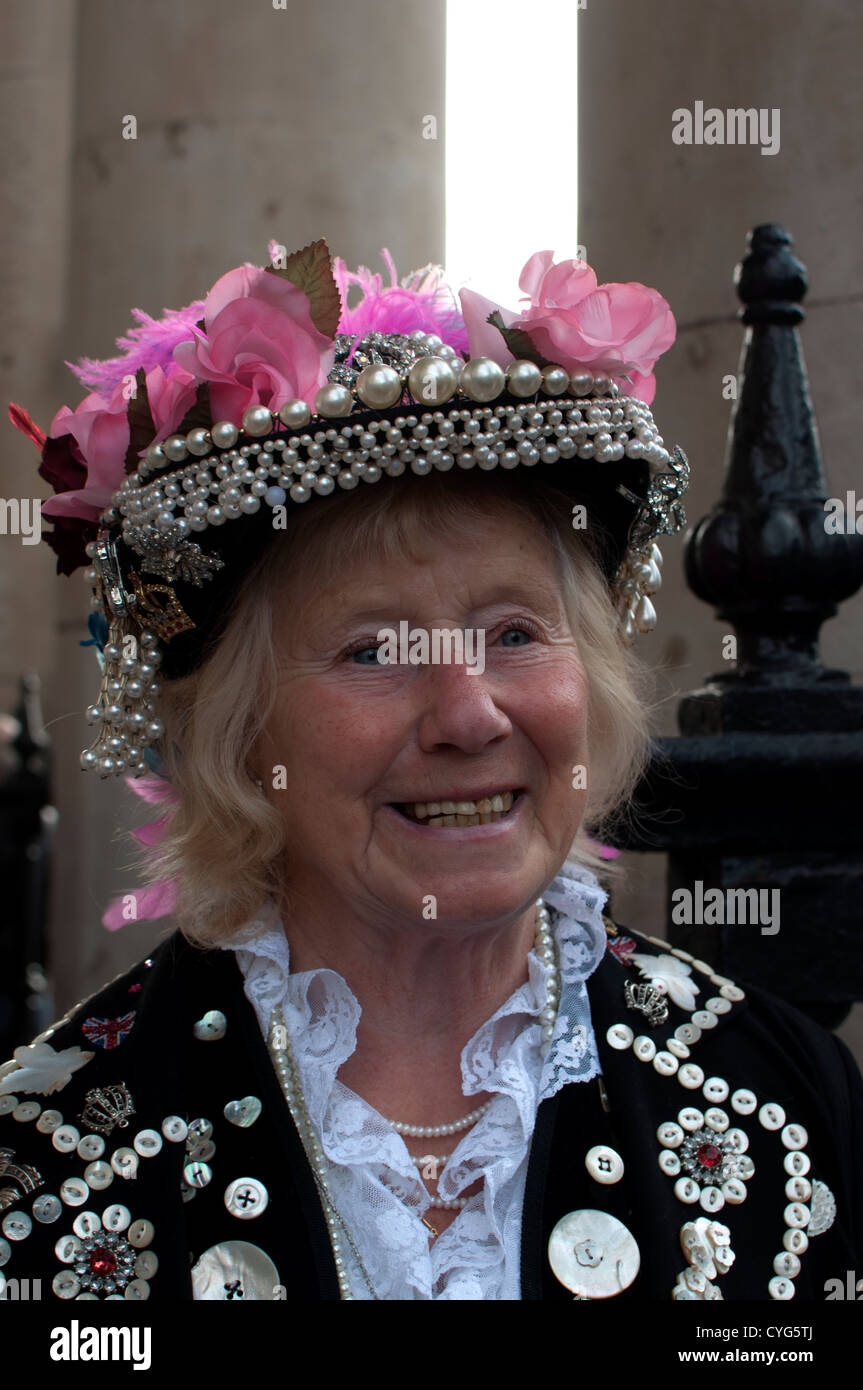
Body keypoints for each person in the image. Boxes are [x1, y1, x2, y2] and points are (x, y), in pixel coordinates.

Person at [1, 240, 860, 1302]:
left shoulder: (785, 1099)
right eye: (371, 651)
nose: (468, 712)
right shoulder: (38, 1164)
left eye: (513, 633)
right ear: (237, 731)